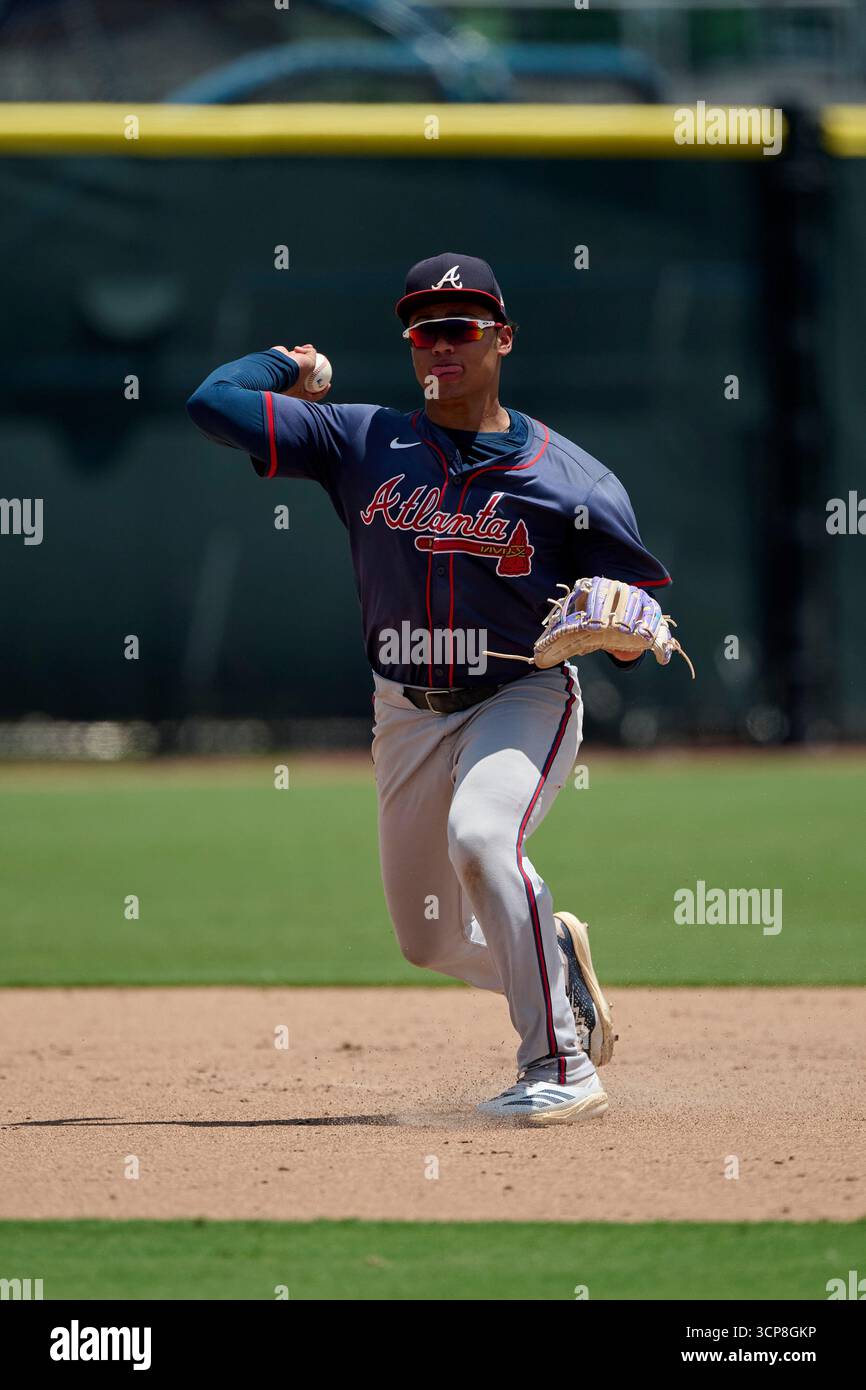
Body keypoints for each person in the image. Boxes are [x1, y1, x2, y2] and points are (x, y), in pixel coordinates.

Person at [187, 252, 671, 1126]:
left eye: (461, 328)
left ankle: (560, 1065)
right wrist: (289, 369)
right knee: (428, 940)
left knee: (483, 837)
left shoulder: (576, 484)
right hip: (404, 710)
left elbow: (636, 631)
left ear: (502, 338)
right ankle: (556, 962)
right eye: (424, 329)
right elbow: (212, 404)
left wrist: (622, 640)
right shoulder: (360, 439)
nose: (440, 344)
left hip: (518, 696)